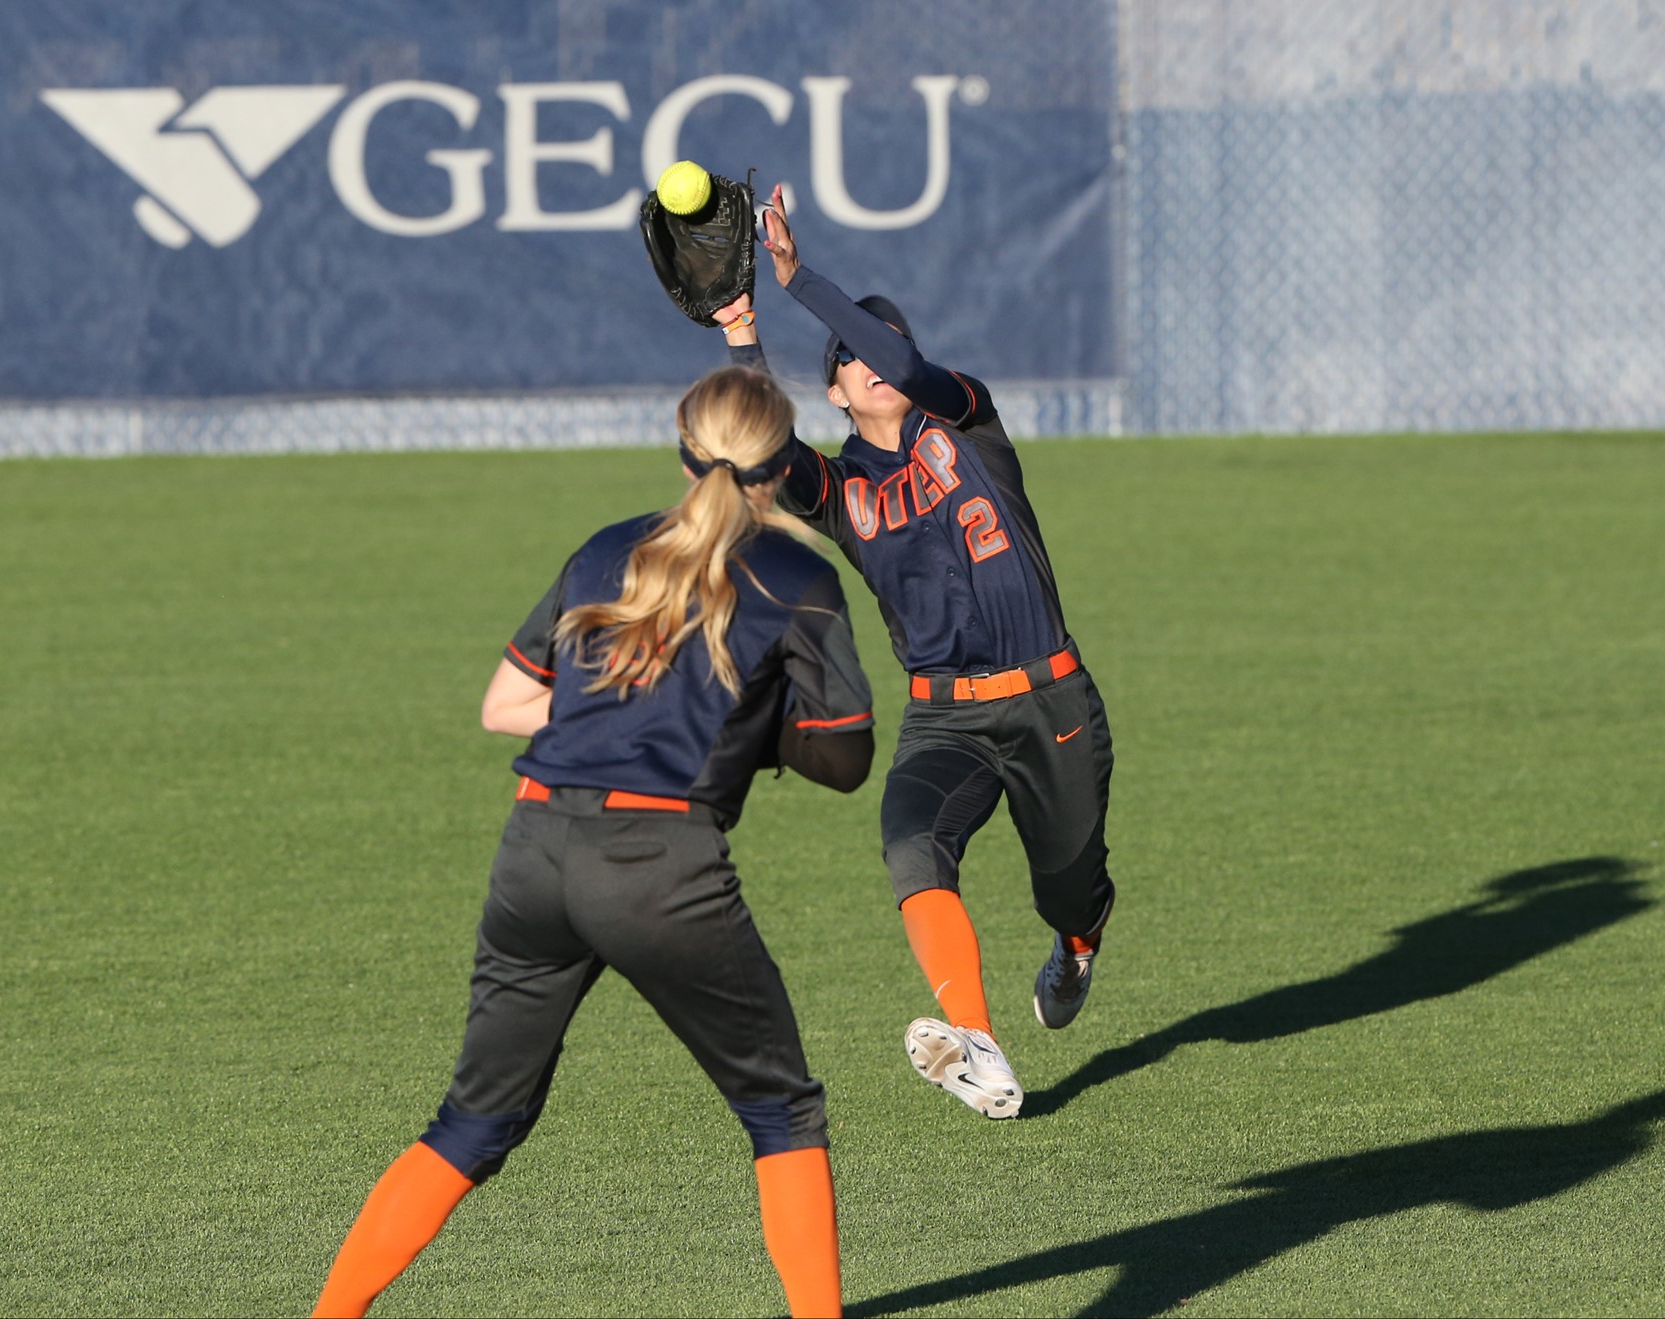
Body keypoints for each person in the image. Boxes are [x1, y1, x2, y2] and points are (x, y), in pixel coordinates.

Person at [312, 366, 876, 1319]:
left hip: (533, 847)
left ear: (681, 445)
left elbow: (507, 703)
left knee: (475, 1121)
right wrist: (752, 724)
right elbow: (845, 757)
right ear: (784, 462)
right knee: (782, 1111)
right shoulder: (799, 577)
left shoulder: (604, 551)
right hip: (660, 869)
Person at [709, 187, 1117, 1121]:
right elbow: (759, 445)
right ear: (837, 393)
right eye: (849, 357)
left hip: (1052, 699)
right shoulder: (840, 487)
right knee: (910, 844)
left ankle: (1080, 942)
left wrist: (799, 279)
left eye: (881, 345)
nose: (872, 361)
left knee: (1071, 887)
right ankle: (975, 1038)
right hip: (946, 713)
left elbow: (901, 354)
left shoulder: (966, 423)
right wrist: (741, 327)